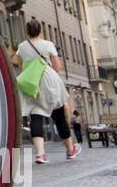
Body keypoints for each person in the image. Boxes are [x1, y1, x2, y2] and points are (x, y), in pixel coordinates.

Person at [11, 19, 78, 164]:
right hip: (49, 81)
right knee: (59, 116)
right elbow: (57, 66)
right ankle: (70, 150)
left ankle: (40, 153)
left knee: (36, 116)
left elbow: (21, 67)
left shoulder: (22, 47)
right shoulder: (48, 45)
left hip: (32, 83)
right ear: (40, 30)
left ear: (27, 32)